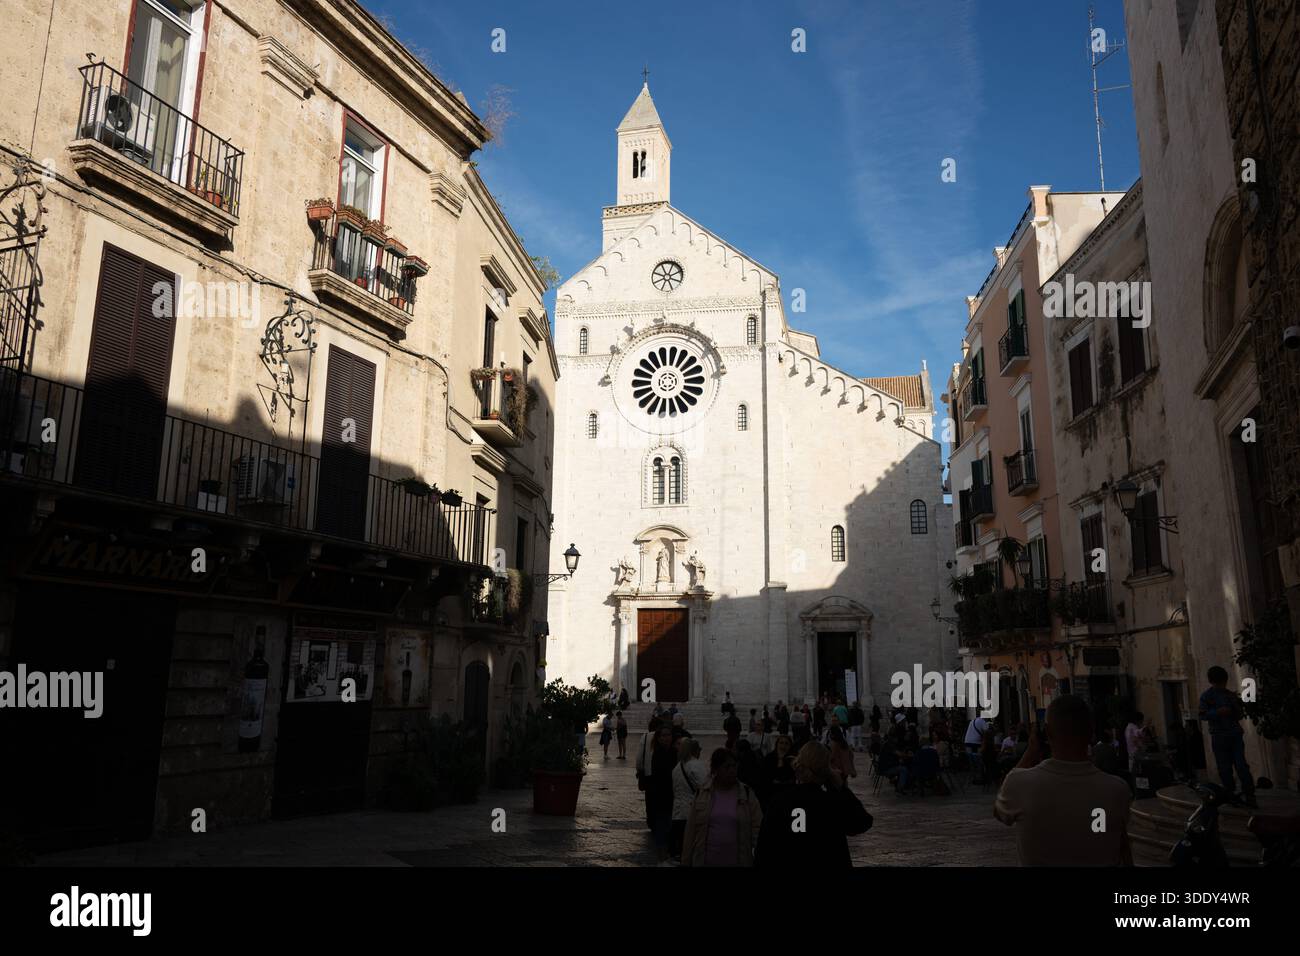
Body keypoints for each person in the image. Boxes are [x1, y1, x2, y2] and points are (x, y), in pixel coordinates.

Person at [994, 695, 1133, 866]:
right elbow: (1121, 846)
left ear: (1046, 733)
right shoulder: (1117, 790)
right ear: (1091, 732)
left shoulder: (1019, 784)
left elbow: (1000, 812)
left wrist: (1030, 752)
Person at [756, 742, 873, 867]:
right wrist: (840, 788)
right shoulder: (832, 802)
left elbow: (764, 847)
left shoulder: (781, 800)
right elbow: (862, 823)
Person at [681, 748, 763, 866]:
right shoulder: (703, 793)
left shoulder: (746, 794)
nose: (732, 771)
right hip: (706, 861)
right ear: (716, 769)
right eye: (727, 767)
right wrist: (686, 861)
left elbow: (757, 827)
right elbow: (690, 832)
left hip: (738, 861)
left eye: (734, 766)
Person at [1198, 666, 1257, 808]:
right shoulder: (1207, 696)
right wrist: (1217, 712)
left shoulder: (1230, 696)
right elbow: (1202, 715)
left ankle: (1249, 795)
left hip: (1234, 734)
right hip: (1219, 735)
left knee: (1241, 766)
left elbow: (1240, 715)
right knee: (1224, 768)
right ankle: (1230, 794)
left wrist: (1235, 709)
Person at [646, 724, 678, 862]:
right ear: (658, 738)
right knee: (662, 826)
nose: (666, 738)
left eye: (668, 735)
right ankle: (662, 856)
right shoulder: (658, 753)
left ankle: (669, 855)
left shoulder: (675, 752)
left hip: (673, 794)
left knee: (670, 826)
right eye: (663, 735)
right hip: (661, 794)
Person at [670, 738, 707, 861]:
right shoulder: (697, 765)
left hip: (677, 813)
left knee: (681, 851)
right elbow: (705, 788)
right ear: (696, 751)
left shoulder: (676, 768)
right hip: (693, 813)